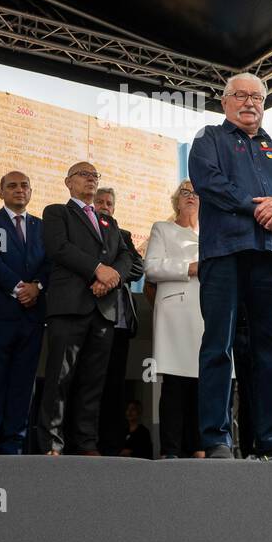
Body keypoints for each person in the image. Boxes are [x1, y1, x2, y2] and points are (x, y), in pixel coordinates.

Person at [188, 71, 272, 458]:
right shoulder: (209, 139)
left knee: (271, 348)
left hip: (270, 256)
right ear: (225, 102)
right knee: (218, 345)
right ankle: (217, 437)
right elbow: (208, 182)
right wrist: (259, 208)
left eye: (257, 97)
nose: (250, 103)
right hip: (224, 253)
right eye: (240, 95)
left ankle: (271, 437)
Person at [37, 161, 135, 455]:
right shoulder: (56, 212)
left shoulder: (110, 223)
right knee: (59, 378)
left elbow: (127, 257)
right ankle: (52, 443)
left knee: (94, 383)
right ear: (69, 183)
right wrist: (97, 269)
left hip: (103, 311)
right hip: (69, 307)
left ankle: (86, 442)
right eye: (84, 175)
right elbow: (59, 248)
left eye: (95, 175)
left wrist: (110, 278)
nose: (91, 179)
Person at [0, 171, 49, 455]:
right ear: (1, 192)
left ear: (31, 191)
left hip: (32, 316)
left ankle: (13, 444)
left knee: (23, 382)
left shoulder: (43, 227)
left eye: (24, 185)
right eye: (12, 186)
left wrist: (37, 287)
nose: (19, 190)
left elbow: (50, 263)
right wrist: (19, 288)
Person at [144, 179, 209, 458]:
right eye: (185, 192)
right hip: (175, 314)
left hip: (207, 312)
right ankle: (170, 450)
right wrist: (190, 267)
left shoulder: (211, 234)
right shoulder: (163, 228)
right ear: (176, 200)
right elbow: (152, 268)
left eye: (196, 193)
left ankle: (198, 447)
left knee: (202, 383)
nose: (191, 197)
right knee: (174, 384)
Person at [94, 186, 145, 455]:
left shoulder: (123, 236)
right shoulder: (86, 233)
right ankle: (87, 443)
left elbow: (138, 267)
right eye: (99, 201)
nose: (104, 205)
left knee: (115, 386)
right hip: (93, 319)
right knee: (91, 383)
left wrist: (112, 274)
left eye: (109, 203)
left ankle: (112, 445)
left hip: (120, 324)